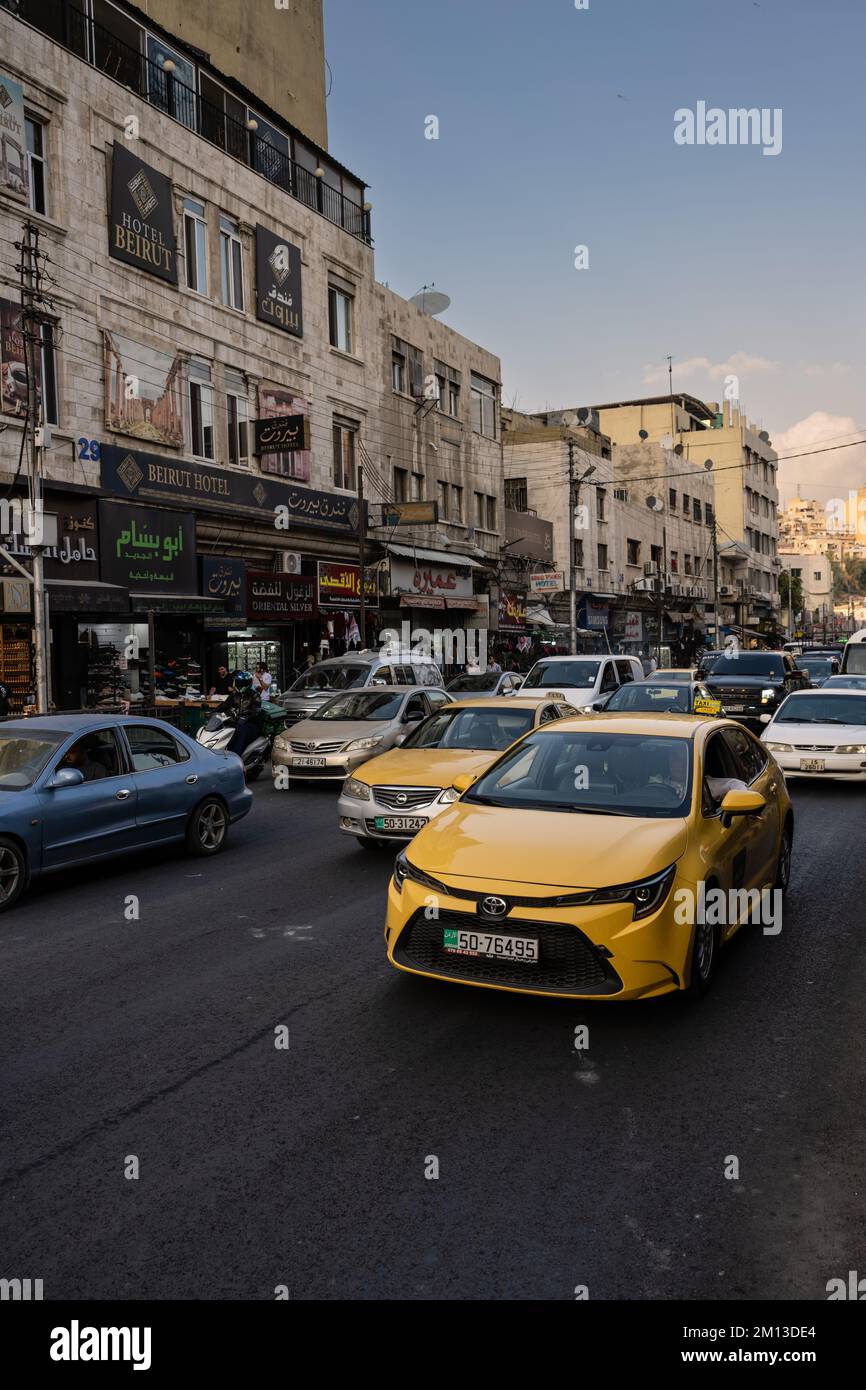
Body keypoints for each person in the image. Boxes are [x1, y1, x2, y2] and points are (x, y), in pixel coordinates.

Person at [222, 671, 262, 755]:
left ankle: (236, 756)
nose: (240, 685)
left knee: (241, 733)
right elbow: (224, 705)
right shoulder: (234, 695)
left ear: (248, 683)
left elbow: (256, 712)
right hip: (236, 722)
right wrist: (213, 712)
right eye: (238, 682)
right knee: (224, 730)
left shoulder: (255, 695)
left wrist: (246, 717)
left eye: (242, 683)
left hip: (251, 723)